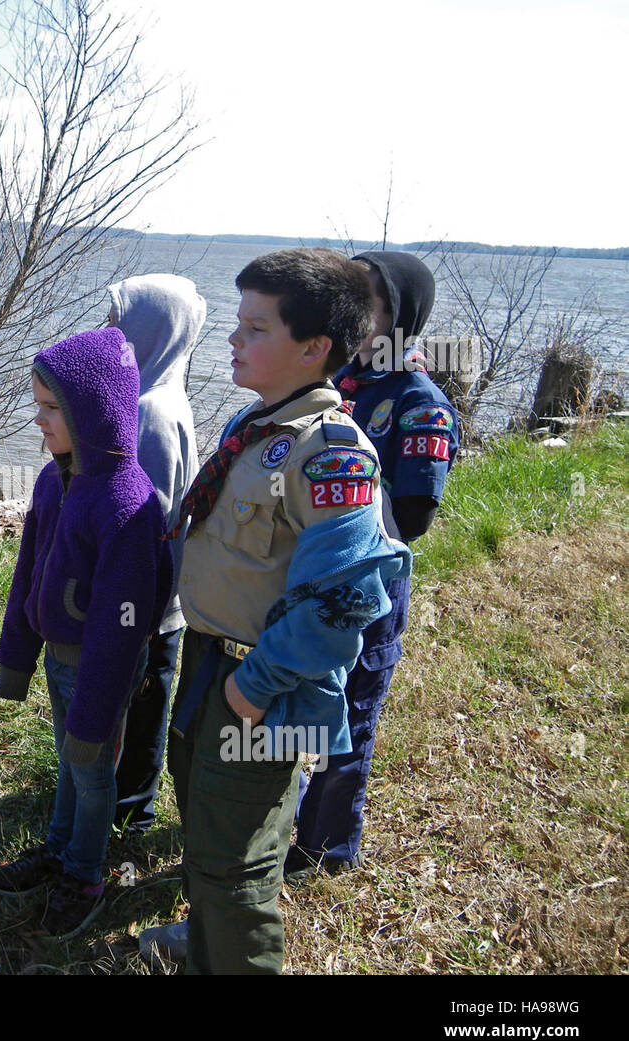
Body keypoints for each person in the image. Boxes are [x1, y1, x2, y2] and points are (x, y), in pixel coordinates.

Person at [139, 248, 411, 973]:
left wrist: (252, 688)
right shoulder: (258, 425)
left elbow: (347, 598)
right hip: (207, 662)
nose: (234, 339)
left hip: (260, 686)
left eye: (255, 328)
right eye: (237, 321)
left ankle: (236, 953)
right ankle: (206, 941)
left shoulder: (332, 454)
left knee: (239, 861)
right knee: (203, 819)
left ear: (314, 347)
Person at [0, 328, 173, 938]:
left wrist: (96, 715)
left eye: (50, 408)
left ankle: (85, 877)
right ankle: (59, 850)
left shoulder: (126, 503)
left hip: (102, 668)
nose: (37, 419)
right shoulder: (52, 479)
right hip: (59, 661)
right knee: (68, 762)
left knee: (92, 771)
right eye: (37, 405)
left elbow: (123, 628)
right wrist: (16, 659)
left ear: (91, 413)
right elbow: (26, 573)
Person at [286, 251, 459, 883]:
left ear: (403, 320)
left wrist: (350, 482)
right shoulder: (333, 385)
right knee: (299, 698)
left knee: (350, 718)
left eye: (376, 304)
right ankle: (281, 815)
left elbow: (412, 516)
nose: (361, 315)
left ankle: (324, 849)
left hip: (369, 589)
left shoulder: (420, 403)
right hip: (308, 578)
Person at [106, 274, 207, 834]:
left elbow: (149, 522)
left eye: (120, 323)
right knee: (139, 704)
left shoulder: (149, 409)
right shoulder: (156, 392)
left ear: (153, 331)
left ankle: (129, 815)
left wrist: (140, 613)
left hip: (145, 605)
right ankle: (122, 798)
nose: (108, 333)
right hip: (149, 601)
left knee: (139, 707)